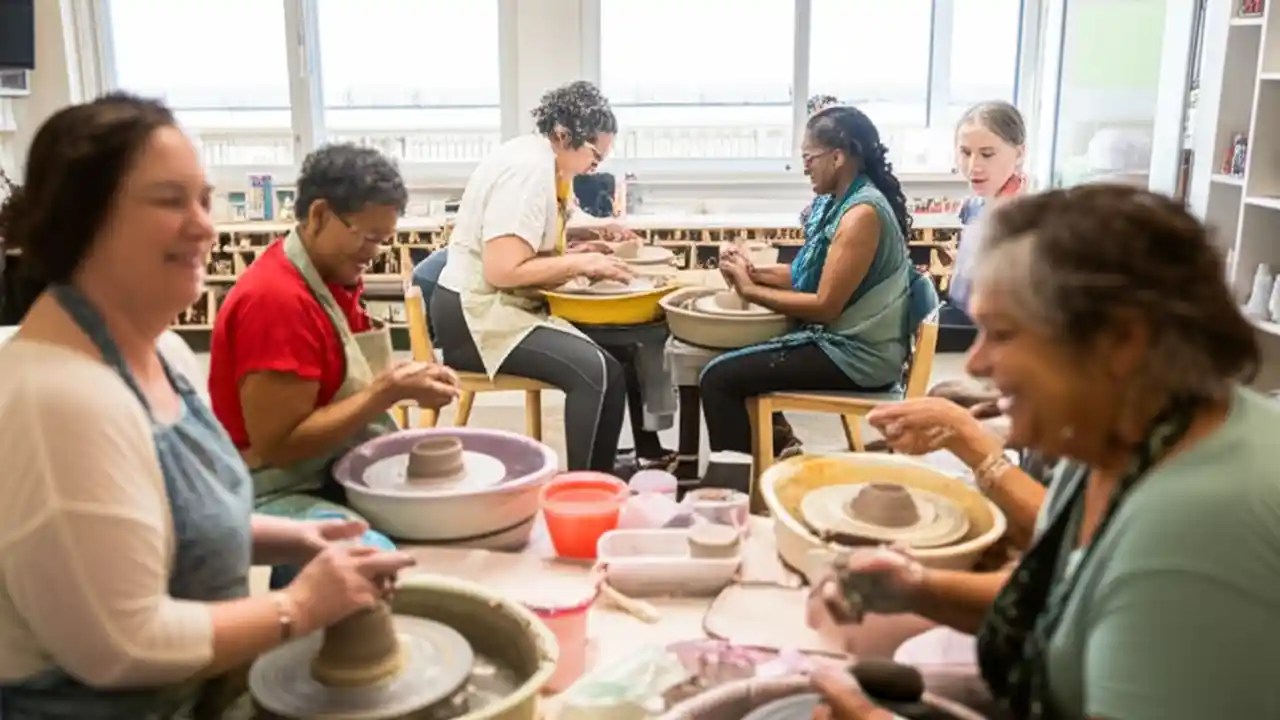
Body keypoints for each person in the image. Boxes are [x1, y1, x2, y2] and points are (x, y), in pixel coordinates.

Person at [0, 93, 415, 718]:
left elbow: (162, 528)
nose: (204, 226)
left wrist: (302, 539)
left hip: (198, 686)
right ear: (83, 218)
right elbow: (122, 646)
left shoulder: (159, 348)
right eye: (171, 201)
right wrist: (298, 608)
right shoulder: (57, 400)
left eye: (204, 198)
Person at [807, 186, 1280, 719]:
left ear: (1119, 342)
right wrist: (916, 588)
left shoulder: (1200, 524)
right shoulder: (1122, 430)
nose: (975, 365)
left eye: (1002, 334)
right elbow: (1070, 597)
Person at [209, 144, 460, 529]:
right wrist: (386, 391)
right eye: (368, 237)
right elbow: (280, 446)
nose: (373, 253)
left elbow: (337, 383)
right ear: (319, 214)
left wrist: (408, 380)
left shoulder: (332, 278)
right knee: (375, 565)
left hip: (326, 466)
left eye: (383, 240)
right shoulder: (276, 299)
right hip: (275, 488)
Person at [700, 106, 939, 457]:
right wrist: (750, 270)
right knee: (741, 361)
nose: (805, 167)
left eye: (809, 157)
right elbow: (805, 276)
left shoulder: (862, 214)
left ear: (838, 157)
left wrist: (750, 290)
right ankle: (779, 445)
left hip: (858, 357)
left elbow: (825, 305)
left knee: (717, 378)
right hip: (852, 343)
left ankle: (734, 496)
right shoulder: (839, 202)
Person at [432, 81, 635, 473]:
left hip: (492, 302)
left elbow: (534, 233)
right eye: (595, 156)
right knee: (595, 372)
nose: (596, 167)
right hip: (474, 316)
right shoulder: (526, 174)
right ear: (563, 135)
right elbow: (503, 269)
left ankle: (604, 476)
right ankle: (584, 491)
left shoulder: (546, 161)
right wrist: (579, 265)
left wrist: (587, 237)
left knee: (614, 361)